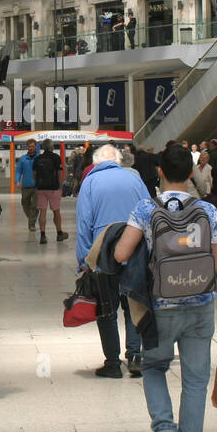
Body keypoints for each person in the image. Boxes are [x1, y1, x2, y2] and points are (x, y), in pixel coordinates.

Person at [114, 145, 217, 432]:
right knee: (196, 380)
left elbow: (120, 255)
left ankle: (165, 430)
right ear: (191, 174)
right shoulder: (209, 212)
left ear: (160, 172)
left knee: (155, 368)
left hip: (161, 306)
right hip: (200, 304)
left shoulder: (146, 209)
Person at [75, 144, 148, 378]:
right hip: (134, 250)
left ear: (96, 163)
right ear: (119, 160)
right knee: (133, 304)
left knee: (106, 309)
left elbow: (84, 222)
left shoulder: (90, 182)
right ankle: (135, 356)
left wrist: (84, 258)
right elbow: (149, 212)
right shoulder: (135, 180)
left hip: (103, 253)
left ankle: (113, 363)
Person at [33, 139, 68, 245]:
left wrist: (37, 185)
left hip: (41, 189)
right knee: (56, 211)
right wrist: (60, 186)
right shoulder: (56, 158)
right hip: (54, 189)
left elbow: (34, 175)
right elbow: (60, 173)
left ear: (43, 147)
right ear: (52, 147)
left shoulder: (37, 159)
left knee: (42, 212)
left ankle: (43, 236)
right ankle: (59, 233)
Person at [14, 138, 40, 234]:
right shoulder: (23, 159)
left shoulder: (39, 158)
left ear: (35, 147)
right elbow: (18, 171)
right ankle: (31, 219)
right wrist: (17, 181)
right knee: (25, 203)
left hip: (37, 186)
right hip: (26, 185)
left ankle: (31, 224)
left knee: (35, 206)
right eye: (30, 146)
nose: (31, 148)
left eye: (33, 146)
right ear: (27, 147)